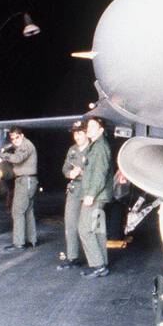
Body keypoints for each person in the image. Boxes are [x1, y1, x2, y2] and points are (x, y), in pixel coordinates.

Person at [76, 117, 113, 278]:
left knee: (84, 229)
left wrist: (90, 194)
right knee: (97, 230)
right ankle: (102, 263)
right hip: (99, 195)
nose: (88, 128)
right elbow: (95, 170)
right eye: (88, 126)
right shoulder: (96, 146)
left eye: (93, 126)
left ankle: (98, 266)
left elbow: (100, 174)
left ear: (101, 130)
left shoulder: (99, 147)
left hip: (96, 196)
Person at [57, 121, 90, 269]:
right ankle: (73, 257)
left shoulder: (93, 149)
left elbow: (100, 173)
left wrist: (82, 173)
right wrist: (70, 173)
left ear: (86, 133)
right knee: (70, 224)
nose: (77, 136)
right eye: (75, 133)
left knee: (89, 226)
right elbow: (65, 169)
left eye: (80, 133)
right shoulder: (72, 150)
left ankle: (94, 260)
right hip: (74, 189)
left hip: (89, 190)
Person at [2, 126, 38, 249]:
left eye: (17, 137)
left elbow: (17, 159)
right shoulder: (20, 146)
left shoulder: (26, 145)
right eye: (13, 139)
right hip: (25, 180)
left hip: (26, 180)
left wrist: (4, 155)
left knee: (17, 211)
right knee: (27, 211)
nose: (15, 141)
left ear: (22, 135)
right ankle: (31, 240)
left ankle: (19, 243)